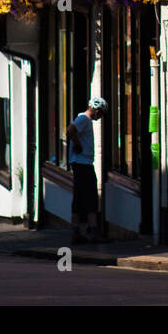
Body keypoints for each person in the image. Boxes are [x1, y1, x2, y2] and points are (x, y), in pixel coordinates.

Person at [66, 97, 107, 244]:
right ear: (96, 110)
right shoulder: (84, 119)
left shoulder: (83, 119)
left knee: (79, 198)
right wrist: (78, 146)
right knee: (91, 198)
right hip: (83, 164)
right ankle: (93, 231)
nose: (101, 116)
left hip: (80, 164)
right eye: (101, 113)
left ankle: (76, 232)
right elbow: (70, 130)